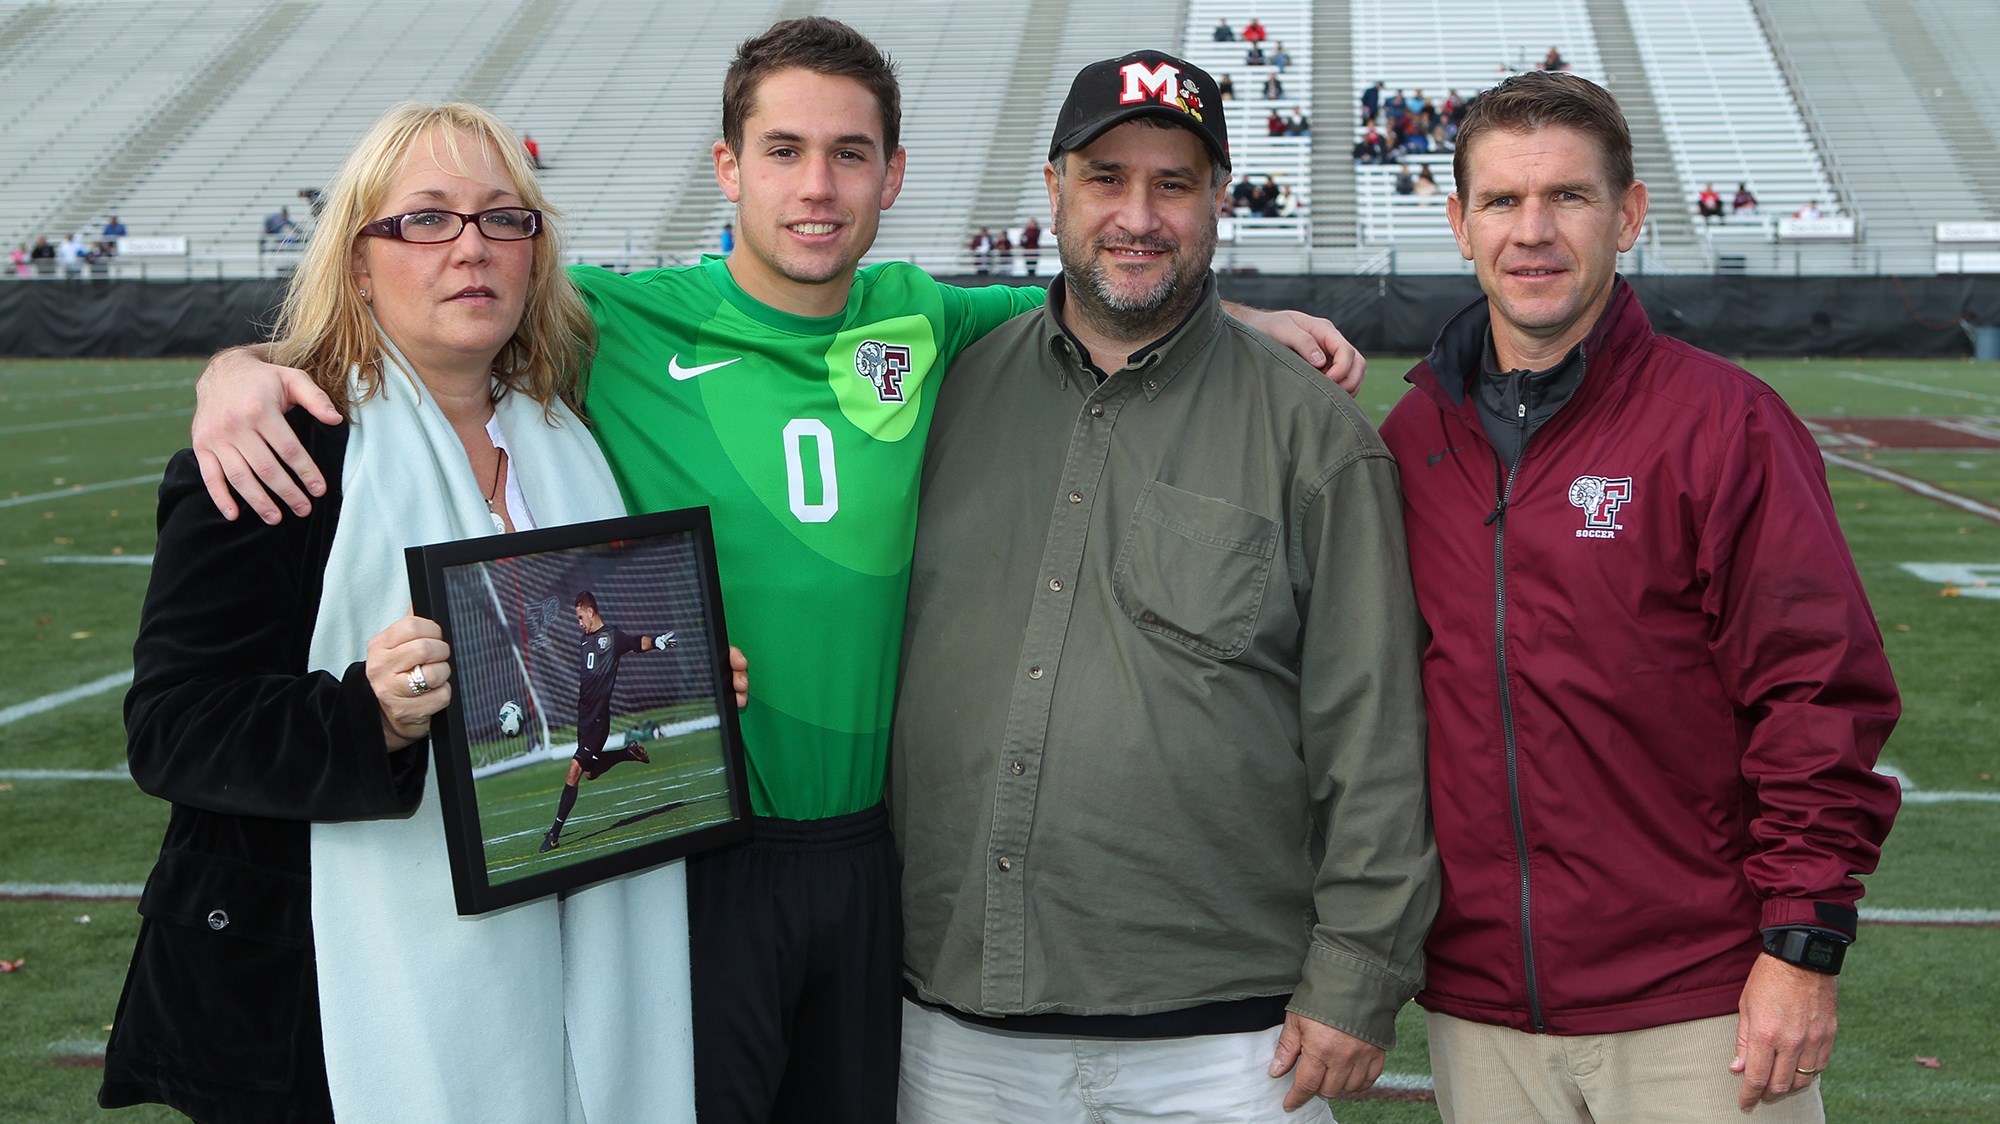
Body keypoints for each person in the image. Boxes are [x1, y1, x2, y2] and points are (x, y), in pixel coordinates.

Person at [185, 20, 1358, 1123]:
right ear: (727, 168)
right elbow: (438, 310)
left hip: (872, 857)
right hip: (694, 858)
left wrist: (1244, 318)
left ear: (893, 176)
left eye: (849, 154)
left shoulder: (934, 318)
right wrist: (241, 368)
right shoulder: (612, 321)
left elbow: (1108, 305)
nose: (816, 187)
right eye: (784, 150)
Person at [99, 101, 747, 1124]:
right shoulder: (280, 450)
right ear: (359, 261)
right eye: (426, 219)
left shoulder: (572, 434)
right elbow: (172, 727)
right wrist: (374, 718)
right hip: (317, 1005)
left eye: (503, 219)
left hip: (570, 963)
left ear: (534, 252)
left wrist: (684, 682)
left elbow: (569, 652)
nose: (471, 248)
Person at [893, 49, 1435, 1123]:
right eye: (1106, 178)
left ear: (1219, 199)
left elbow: (1372, 732)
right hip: (957, 1026)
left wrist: (1358, 973)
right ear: (1054, 187)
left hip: (1226, 1045)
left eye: (1172, 184)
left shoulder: (1313, 434)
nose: (1137, 216)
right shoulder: (943, 396)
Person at [1378, 70, 1900, 1122]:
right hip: (1481, 1011)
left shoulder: (1723, 423)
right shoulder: (1411, 438)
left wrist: (1801, 943)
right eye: (1501, 200)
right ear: (1459, 224)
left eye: (1567, 196)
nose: (1533, 231)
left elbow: (1815, 690)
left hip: (1695, 1006)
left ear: (1627, 215)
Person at [540, 590, 679, 851]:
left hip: (598, 722)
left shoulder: (612, 637)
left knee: (573, 771)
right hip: (583, 720)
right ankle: (627, 753)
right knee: (590, 772)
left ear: (591, 612)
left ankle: (554, 835)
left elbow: (636, 642)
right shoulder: (584, 641)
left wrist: (657, 641)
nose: (579, 623)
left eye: (580, 617)